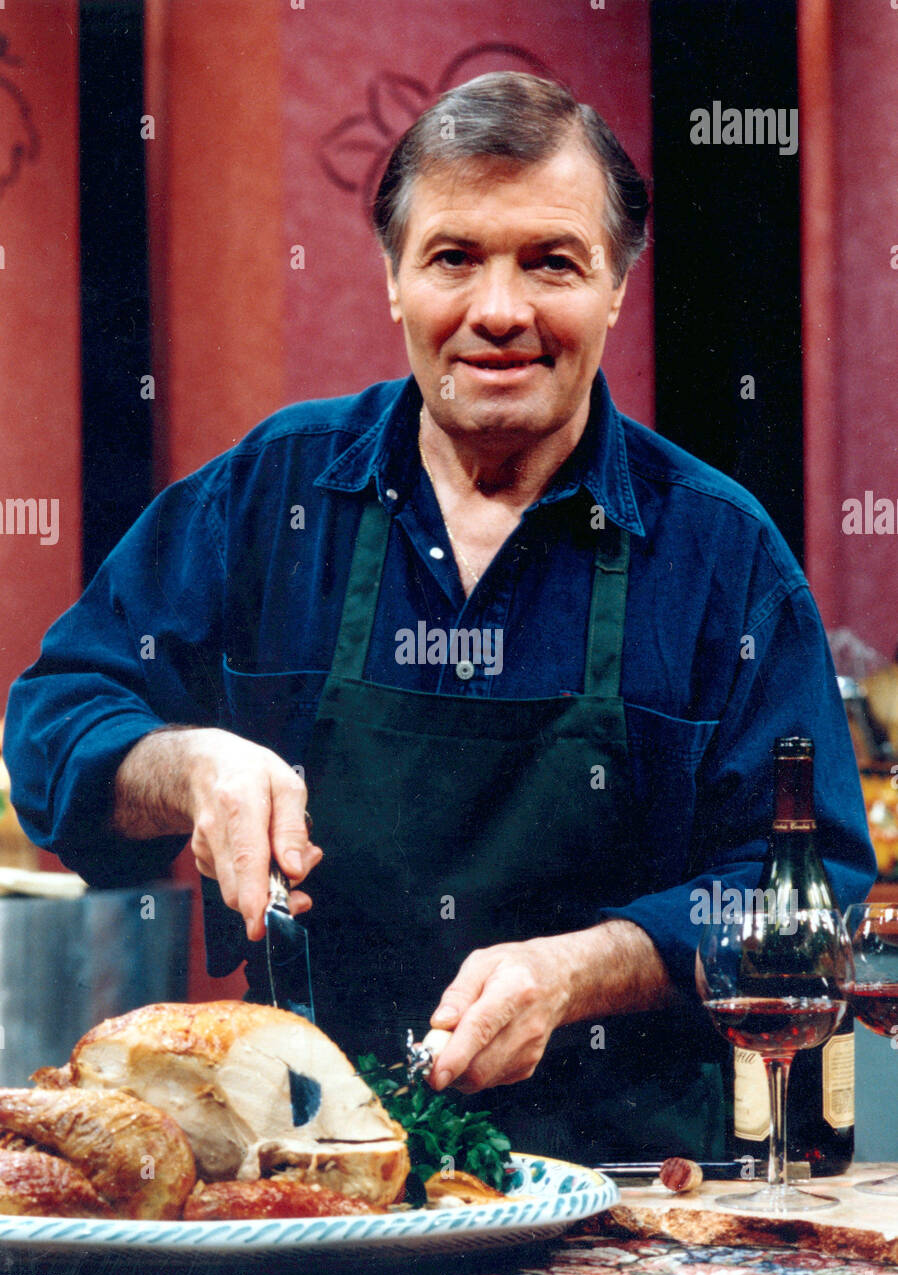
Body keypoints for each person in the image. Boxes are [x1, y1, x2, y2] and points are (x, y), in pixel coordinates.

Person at [4, 72, 874, 1163]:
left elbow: (809, 899)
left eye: (551, 261)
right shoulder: (270, 496)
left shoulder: (719, 554)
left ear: (615, 289)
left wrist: (579, 969)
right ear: (393, 280)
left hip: (641, 1196)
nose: (499, 310)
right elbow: (51, 724)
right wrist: (191, 765)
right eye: (454, 257)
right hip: (316, 1185)